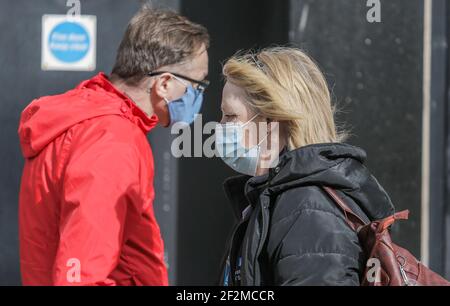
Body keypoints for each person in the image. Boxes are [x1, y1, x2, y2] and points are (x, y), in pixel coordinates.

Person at [17, 7, 209, 285]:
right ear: (165, 83)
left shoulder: (85, 119)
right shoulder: (112, 139)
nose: (198, 95)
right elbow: (81, 274)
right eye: (197, 84)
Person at [216, 47, 394, 286]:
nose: (220, 126)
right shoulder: (280, 201)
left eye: (230, 116)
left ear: (271, 122)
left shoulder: (307, 208)